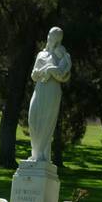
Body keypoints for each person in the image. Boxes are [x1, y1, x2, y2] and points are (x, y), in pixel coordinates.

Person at [27, 27, 71, 164]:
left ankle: (41, 155)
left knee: (47, 121)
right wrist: (36, 73)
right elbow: (33, 75)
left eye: (53, 37)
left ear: (58, 40)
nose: (49, 39)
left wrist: (50, 69)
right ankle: (35, 152)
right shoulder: (41, 54)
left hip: (52, 90)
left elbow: (64, 74)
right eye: (49, 35)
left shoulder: (62, 55)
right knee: (32, 117)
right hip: (39, 88)